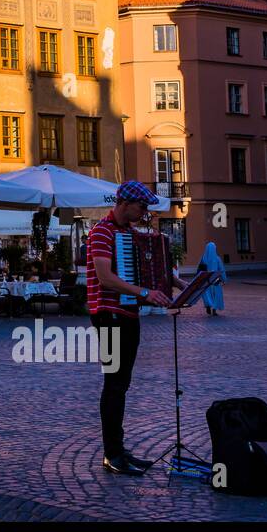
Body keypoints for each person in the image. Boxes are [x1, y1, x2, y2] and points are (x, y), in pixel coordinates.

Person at [87, 181, 183, 476]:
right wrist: (144, 293)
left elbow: (149, 270)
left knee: (122, 385)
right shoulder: (101, 232)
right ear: (125, 203)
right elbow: (105, 277)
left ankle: (119, 449)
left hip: (127, 315)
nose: (145, 213)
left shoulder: (127, 234)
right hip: (108, 315)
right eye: (142, 207)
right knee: (114, 385)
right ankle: (112, 453)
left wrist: (179, 283)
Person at [200, 241, 227, 315]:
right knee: (216, 294)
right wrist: (224, 279)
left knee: (207, 294)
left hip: (206, 280)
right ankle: (214, 310)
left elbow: (199, 269)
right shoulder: (217, 259)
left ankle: (208, 306)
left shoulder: (203, 259)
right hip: (215, 280)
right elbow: (221, 269)